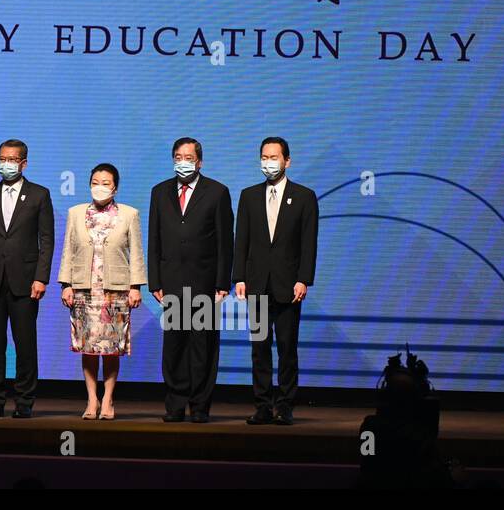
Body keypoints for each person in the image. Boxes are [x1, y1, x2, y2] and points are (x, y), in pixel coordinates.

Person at [146, 137, 234, 422]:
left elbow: (225, 242)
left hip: (206, 284)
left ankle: (199, 406)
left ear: (200, 161)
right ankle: (174, 405)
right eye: (178, 156)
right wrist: (154, 282)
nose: (183, 161)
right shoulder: (159, 192)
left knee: (203, 347)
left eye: (188, 157)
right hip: (170, 283)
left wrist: (223, 284)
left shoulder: (218, 192)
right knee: (173, 347)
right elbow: (154, 240)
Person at [0, 138, 55, 418]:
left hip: (26, 282)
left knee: (25, 344)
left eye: (12, 159)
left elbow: (47, 240)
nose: (6, 164)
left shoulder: (40, 195)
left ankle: (25, 402)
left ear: (24, 163)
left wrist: (41, 278)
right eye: (2, 158)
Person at [232, 136, 319, 425]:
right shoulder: (248, 195)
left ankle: (284, 405)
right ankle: (262, 405)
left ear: (287, 161)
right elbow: (241, 240)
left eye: (274, 157)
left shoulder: (304, 196)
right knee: (259, 348)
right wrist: (239, 278)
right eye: (264, 157)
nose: (269, 162)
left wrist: (303, 279)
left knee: (287, 348)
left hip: (288, 286)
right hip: (256, 285)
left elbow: (308, 243)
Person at [57, 164, 145, 420]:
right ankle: (91, 399)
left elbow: (137, 253)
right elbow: (68, 251)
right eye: (95, 181)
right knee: (88, 347)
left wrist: (135, 287)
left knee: (111, 348)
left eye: (105, 182)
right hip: (84, 290)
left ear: (115, 186)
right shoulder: (75, 213)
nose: (100, 186)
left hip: (115, 291)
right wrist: (66, 284)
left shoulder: (129, 214)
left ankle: (108, 400)